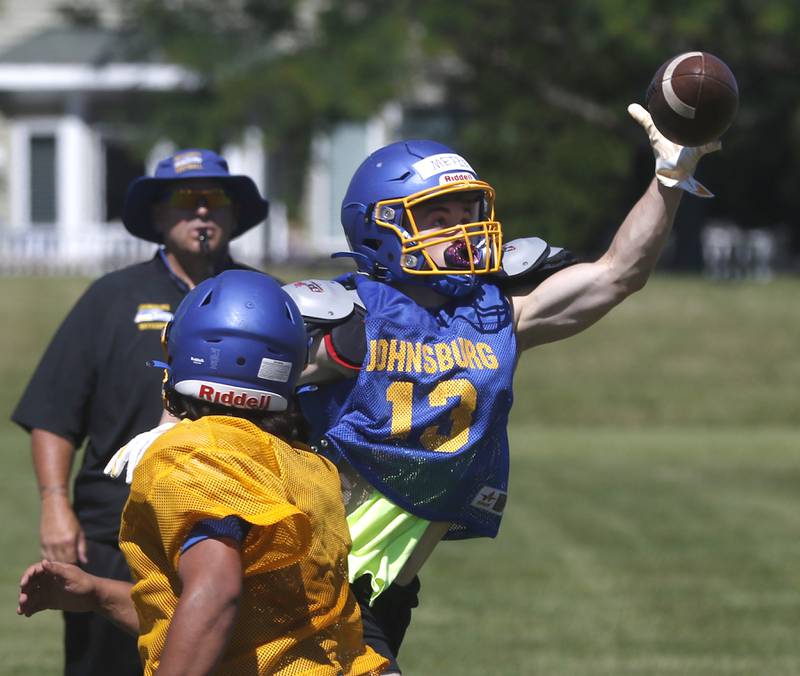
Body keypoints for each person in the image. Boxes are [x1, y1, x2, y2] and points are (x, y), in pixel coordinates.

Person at [281, 103, 722, 671]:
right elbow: (230, 369)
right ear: (380, 227)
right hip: (314, 575)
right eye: (438, 218)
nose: (463, 230)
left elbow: (619, 273)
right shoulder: (357, 316)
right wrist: (171, 427)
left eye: (469, 211)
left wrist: (668, 179)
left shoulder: (494, 315)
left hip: (385, 587)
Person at [19, 270, 387, 676]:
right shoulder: (302, 464)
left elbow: (214, 593)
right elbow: (250, 623)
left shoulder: (194, 453)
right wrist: (98, 594)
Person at [11, 148, 271, 676]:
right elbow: (54, 412)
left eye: (215, 199)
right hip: (118, 532)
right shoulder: (111, 297)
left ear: (233, 213)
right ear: (156, 215)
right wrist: (54, 503)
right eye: (185, 200)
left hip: (233, 528)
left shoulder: (264, 301)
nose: (202, 212)